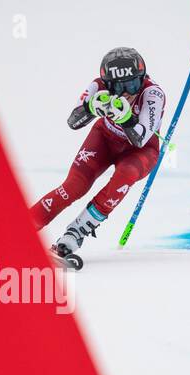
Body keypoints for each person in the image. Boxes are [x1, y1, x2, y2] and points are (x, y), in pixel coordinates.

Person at [29, 46, 166, 259]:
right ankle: (21, 228)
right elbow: (73, 122)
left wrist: (126, 119)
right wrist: (90, 108)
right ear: (107, 84)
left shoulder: (153, 94)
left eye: (132, 83)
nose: (127, 91)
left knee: (126, 174)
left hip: (140, 149)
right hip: (104, 138)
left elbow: (140, 139)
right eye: (118, 87)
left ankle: (76, 233)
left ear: (143, 77)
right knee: (73, 186)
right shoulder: (98, 85)